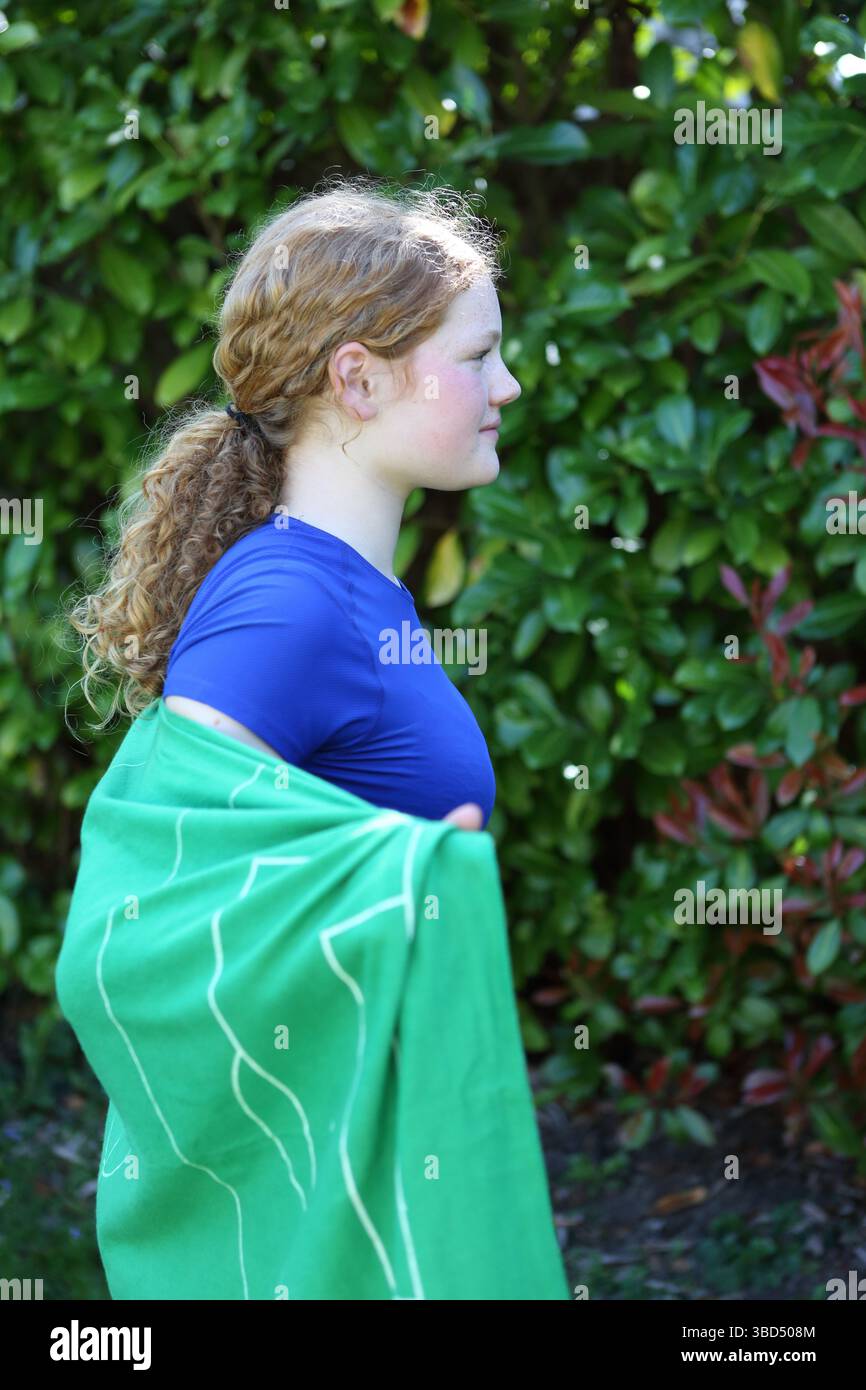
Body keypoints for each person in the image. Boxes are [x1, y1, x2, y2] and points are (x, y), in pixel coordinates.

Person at [68, 175, 521, 829]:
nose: (506, 386)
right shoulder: (287, 600)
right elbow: (174, 863)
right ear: (359, 380)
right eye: (478, 356)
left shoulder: (343, 585)